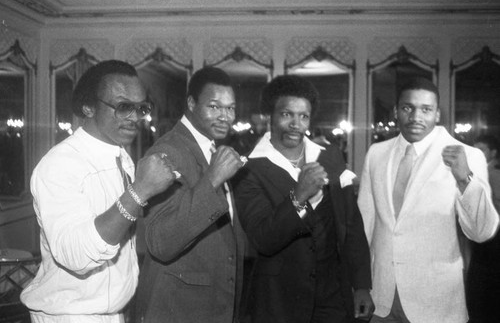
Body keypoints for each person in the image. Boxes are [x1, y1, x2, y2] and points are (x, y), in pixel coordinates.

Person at [21, 60, 177, 323]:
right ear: (88, 107)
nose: (134, 117)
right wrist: (139, 190)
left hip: (112, 313)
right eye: (123, 106)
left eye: (141, 108)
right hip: (71, 316)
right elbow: (77, 256)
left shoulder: (122, 157)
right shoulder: (60, 164)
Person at [232, 75, 374, 323]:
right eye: (287, 114)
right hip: (280, 301)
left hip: (333, 296)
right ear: (270, 116)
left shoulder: (329, 155)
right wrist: (299, 195)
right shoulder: (248, 168)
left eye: (303, 116)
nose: (296, 124)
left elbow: (351, 224)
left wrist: (362, 285)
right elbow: (263, 238)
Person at [357, 77, 499, 323]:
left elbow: (481, 232)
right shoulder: (377, 154)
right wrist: (359, 284)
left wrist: (465, 179)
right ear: (396, 111)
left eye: (426, 109)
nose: (415, 117)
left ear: (437, 114)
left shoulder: (467, 155)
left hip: (436, 299)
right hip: (382, 297)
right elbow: (365, 224)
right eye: (407, 108)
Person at [135, 67, 247, 323]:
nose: (225, 116)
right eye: (215, 107)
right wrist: (213, 179)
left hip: (209, 307)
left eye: (230, 108)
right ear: (191, 103)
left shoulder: (209, 147)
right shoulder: (168, 150)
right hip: (178, 308)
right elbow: (160, 242)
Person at [466, 134, 500, 323]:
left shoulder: (493, 173)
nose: (477, 153)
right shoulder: (479, 171)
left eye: (482, 149)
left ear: (493, 152)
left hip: (492, 239)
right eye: (475, 148)